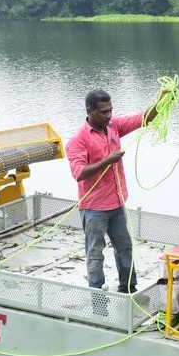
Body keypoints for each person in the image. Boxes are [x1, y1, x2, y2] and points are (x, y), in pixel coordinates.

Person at [66, 87, 165, 294]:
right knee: (95, 253)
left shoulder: (113, 127)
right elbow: (78, 172)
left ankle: (128, 289)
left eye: (110, 110)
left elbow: (144, 118)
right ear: (89, 111)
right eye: (103, 112)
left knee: (125, 248)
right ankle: (97, 294)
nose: (109, 115)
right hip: (94, 208)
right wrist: (107, 161)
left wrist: (162, 99)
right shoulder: (79, 139)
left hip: (117, 203)